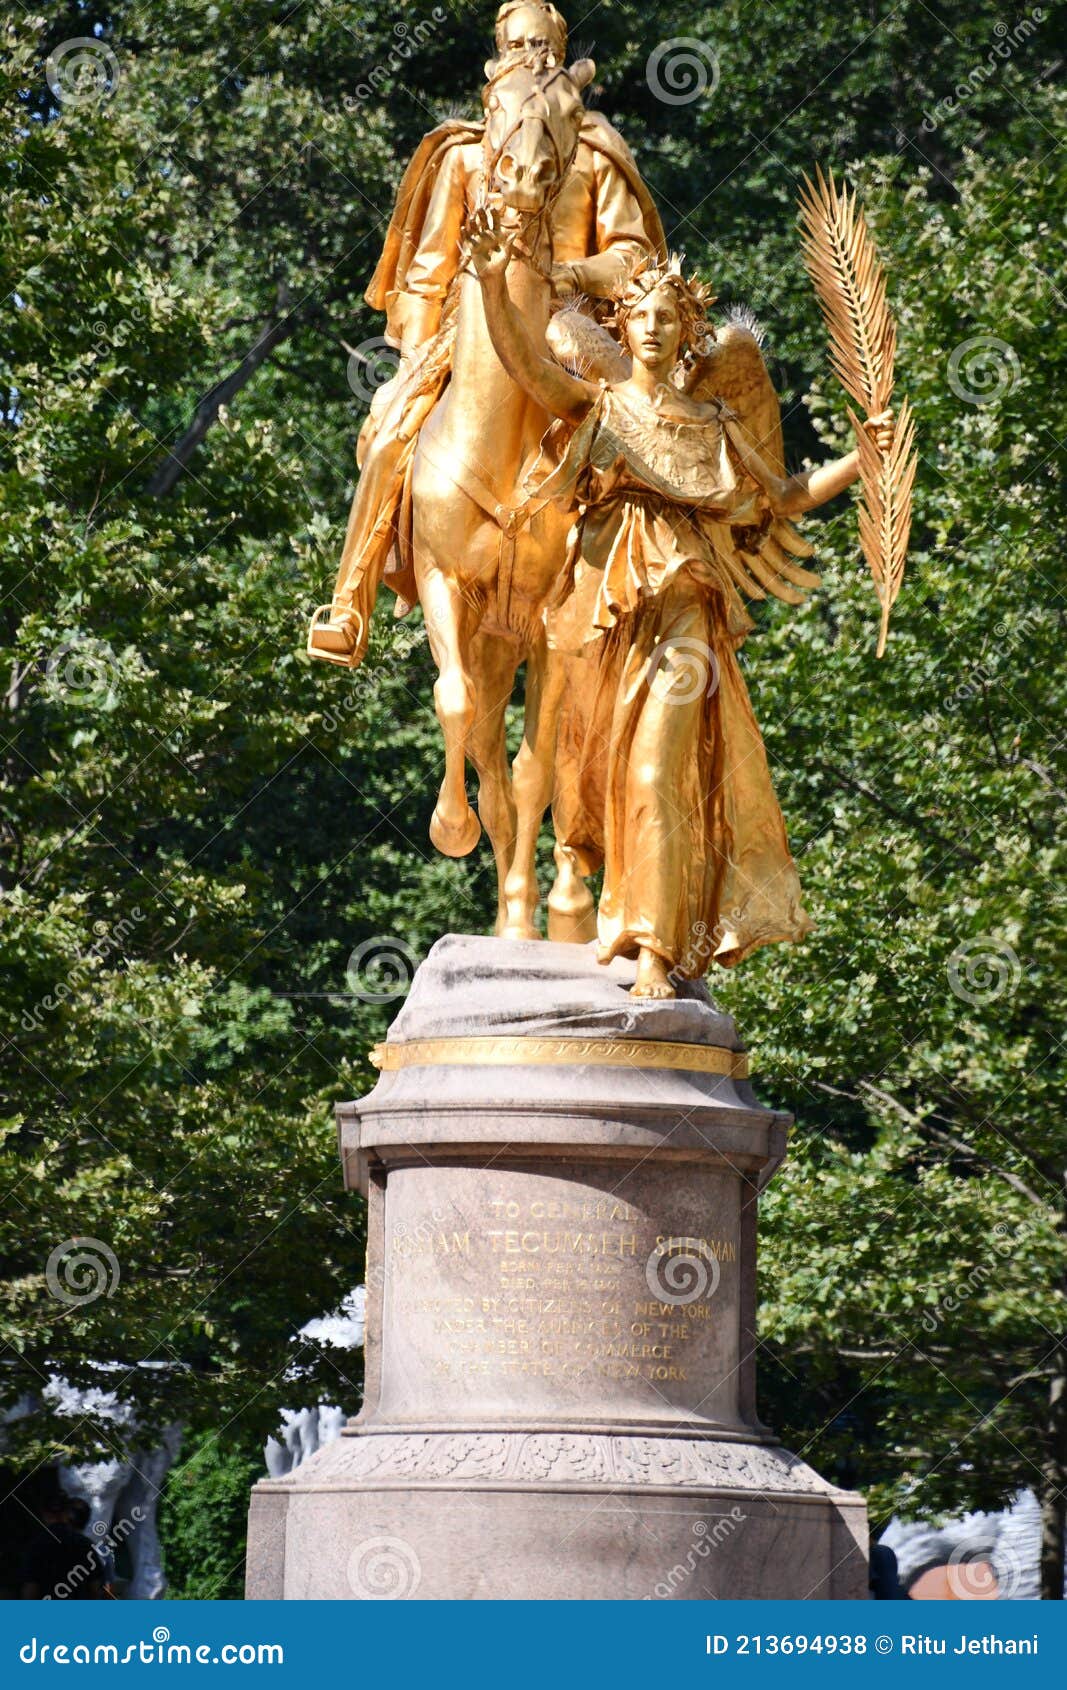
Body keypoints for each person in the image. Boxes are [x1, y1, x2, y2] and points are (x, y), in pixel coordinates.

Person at [466, 219, 893, 997]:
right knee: (598, 772)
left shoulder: (714, 425)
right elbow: (526, 367)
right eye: (642, 315)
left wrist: (859, 460)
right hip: (601, 611)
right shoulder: (597, 407)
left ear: (687, 329)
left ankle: (655, 948)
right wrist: (494, 285)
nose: (656, 328)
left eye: (670, 317)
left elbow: (783, 496)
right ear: (621, 325)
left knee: (659, 766)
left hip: (684, 609)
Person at [307, 1, 664, 666]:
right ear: (495, 62)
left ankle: (659, 594)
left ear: (562, 56)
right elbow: (425, 271)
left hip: (571, 339)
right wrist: (413, 356)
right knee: (387, 433)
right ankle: (350, 602)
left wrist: (572, 275)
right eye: (518, 45)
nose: (532, 57)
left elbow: (635, 260)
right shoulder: (466, 159)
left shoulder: (593, 156)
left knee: (642, 447)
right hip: (469, 333)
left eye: (544, 46)